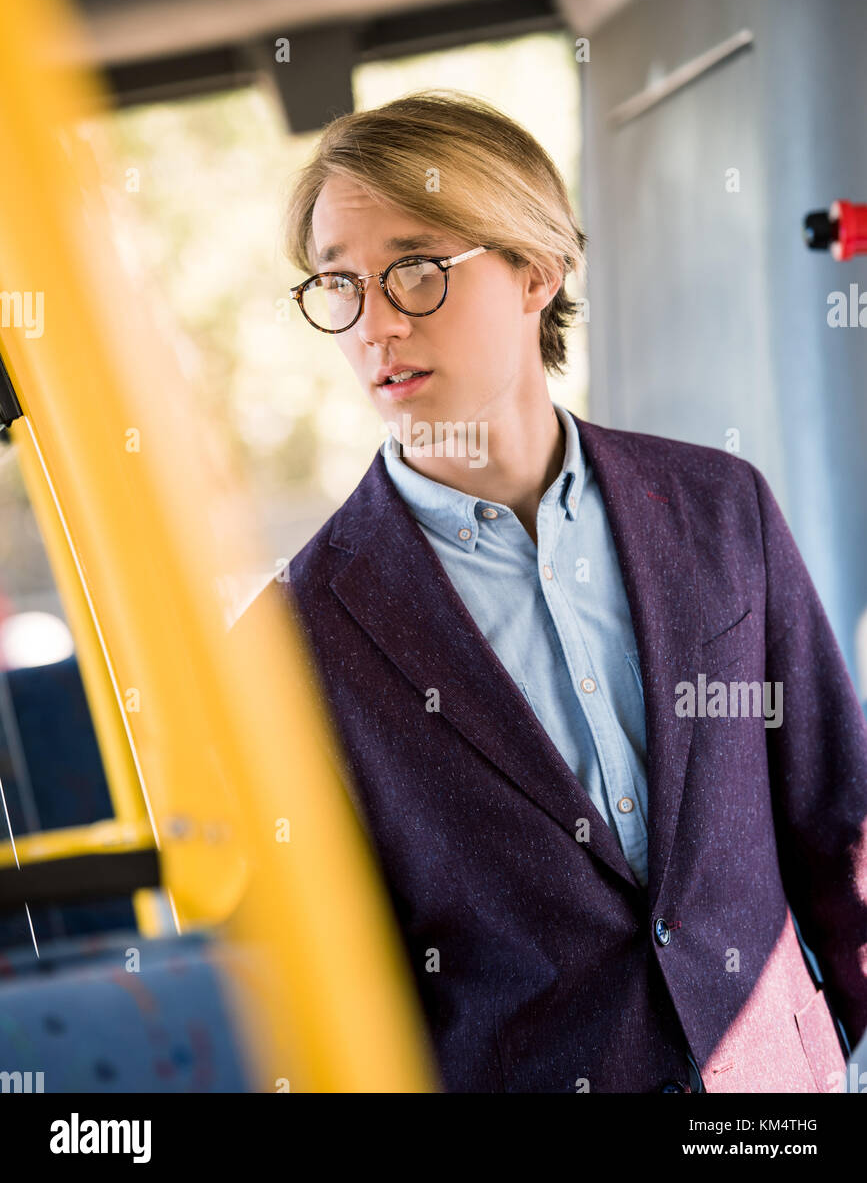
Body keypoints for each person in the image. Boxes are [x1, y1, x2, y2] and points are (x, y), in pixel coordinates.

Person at [237, 89, 867, 1093]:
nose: (376, 323)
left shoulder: (718, 506)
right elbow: (334, 993)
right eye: (340, 284)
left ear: (536, 269)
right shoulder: (294, 637)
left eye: (416, 267)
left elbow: (838, 818)